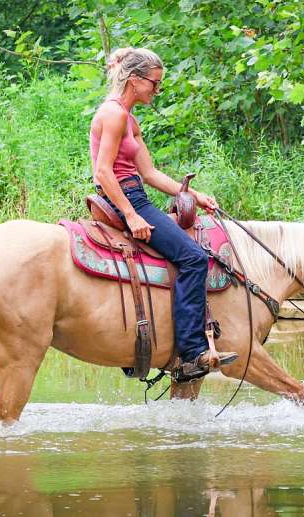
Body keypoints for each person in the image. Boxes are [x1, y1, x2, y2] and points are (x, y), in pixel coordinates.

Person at [89, 47, 238, 380]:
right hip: (124, 197)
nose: (157, 90)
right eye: (154, 83)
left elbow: (150, 173)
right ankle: (191, 351)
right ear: (134, 79)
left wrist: (193, 195)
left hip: (134, 193)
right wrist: (131, 215)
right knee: (194, 258)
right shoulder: (112, 114)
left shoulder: (130, 119)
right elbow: (102, 172)